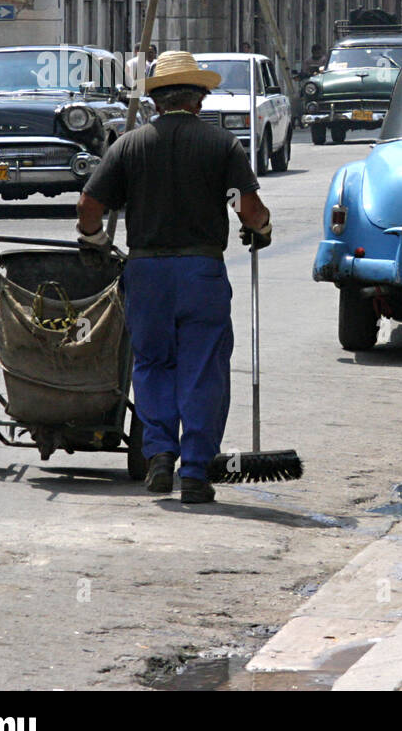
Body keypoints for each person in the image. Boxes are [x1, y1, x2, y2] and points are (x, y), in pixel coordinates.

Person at [76, 52, 273, 504]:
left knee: (151, 363)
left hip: (146, 272)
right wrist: (260, 230)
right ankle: (198, 471)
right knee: (203, 367)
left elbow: (89, 208)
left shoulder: (127, 145)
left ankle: (161, 457)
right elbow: (249, 208)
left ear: (157, 102)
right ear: (199, 100)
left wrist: (94, 242)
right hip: (201, 271)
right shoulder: (222, 145)